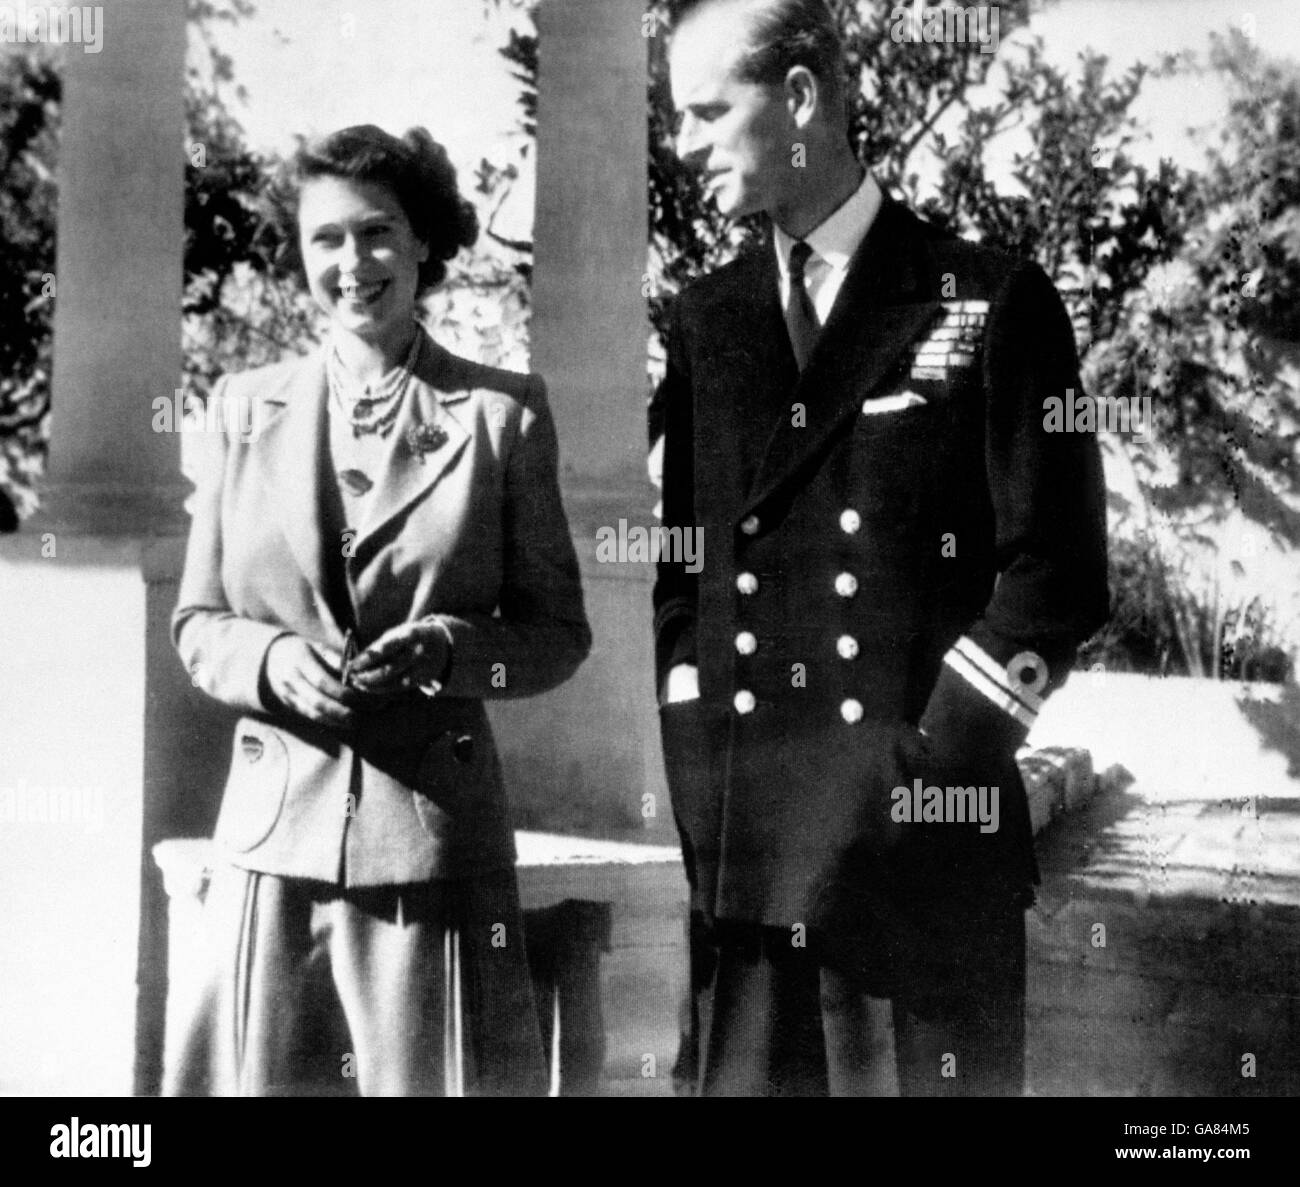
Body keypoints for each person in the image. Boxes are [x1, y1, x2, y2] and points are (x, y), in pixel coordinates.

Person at [652, 0, 1109, 1096]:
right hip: (752, 857)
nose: (681, 143)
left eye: (708, 112)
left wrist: (917, 772)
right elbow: (684, 572)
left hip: (924, 862)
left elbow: (1056, 576)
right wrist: (698, 743)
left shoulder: (989, 298)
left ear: (801, 97)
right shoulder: (706, 321)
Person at [166, 125, 591, 1096]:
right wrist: (272, 662)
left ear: (424, 244)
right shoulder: (241, 407)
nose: (351, 264)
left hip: (432, 848)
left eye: (377, 233)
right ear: (299, 254)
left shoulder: (502, 416)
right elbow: (197, 623)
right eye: (326, 239)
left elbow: (558, 634)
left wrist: (450, 651)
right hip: (270, 845)